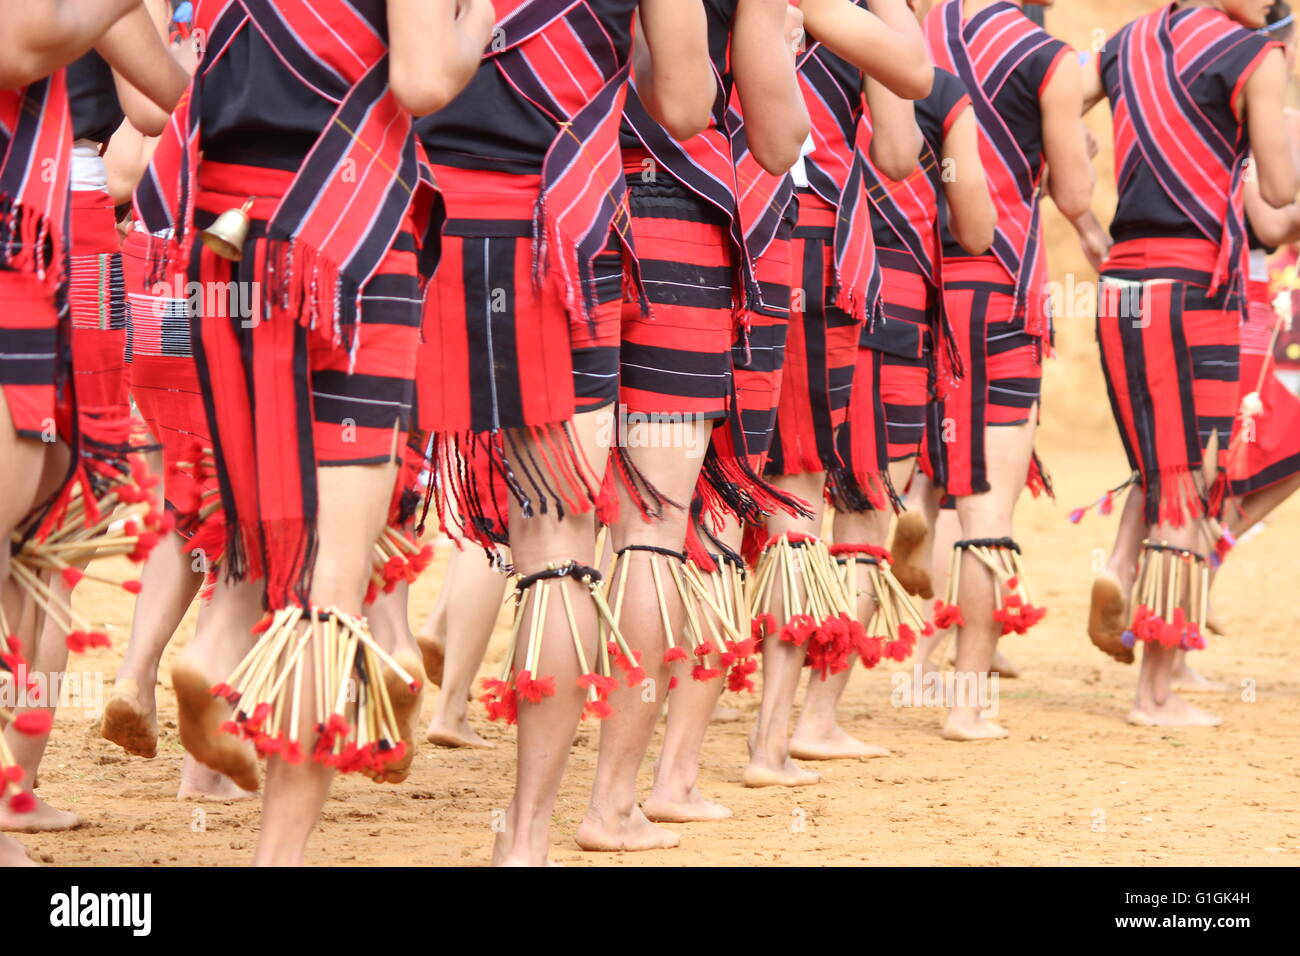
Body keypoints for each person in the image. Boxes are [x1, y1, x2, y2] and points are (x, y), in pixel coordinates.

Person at [138, 0, 492, 865]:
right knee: (328, 589)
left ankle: (220, 642)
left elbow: (141, 82)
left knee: (258, 508)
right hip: (349, 222)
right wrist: (475, 22)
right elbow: (422, 80)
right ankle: (278, 859)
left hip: (224, 221)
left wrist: (218, 91)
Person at [419, 0, 718, 866]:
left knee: (356, 498)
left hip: (413, 217)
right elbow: (690, 107)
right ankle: (526, 837)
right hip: (555, 233)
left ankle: (385, 646)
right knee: (559, 545)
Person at [1082, 0, 1294, 727]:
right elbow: (1280, 192)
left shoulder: (1126, 41)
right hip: (1195, 286)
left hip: (1120, 284)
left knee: (1160, 468)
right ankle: (1155, 694)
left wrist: (1074, 186)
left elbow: (1052, 100)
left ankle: (1141, 616)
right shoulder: (1252, 56)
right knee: (1191, 483)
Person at [796, 0, 997, 760]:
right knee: (860, 520)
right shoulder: (937, 91)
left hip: (781, 281)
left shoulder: (766, 34)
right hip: (886, 305)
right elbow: (969, 224)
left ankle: (731, 708)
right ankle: (814, 721)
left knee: (779, 514)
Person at [0, 0, 174, 869]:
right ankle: (14, 788)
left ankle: (15, 790)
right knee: (58, 529)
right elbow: (156, 103)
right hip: (72, 210)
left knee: (47, 524)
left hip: (52, 207)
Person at [746, 0, 933, 787]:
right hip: (817, 247)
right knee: (811, 491)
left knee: (722, 493)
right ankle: (779, 739)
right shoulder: (852, 18)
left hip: (724, 230)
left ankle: (726, 739)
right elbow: (897, 149)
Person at [921, 0, 1092, 740]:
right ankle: (966, 703)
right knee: (986, 505)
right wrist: (1071, 148)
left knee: (928, 485)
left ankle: (916, 661)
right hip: (1000, 284)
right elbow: (1077, 196)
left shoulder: (914, 27)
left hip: (916, 279)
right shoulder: (1048, 58)